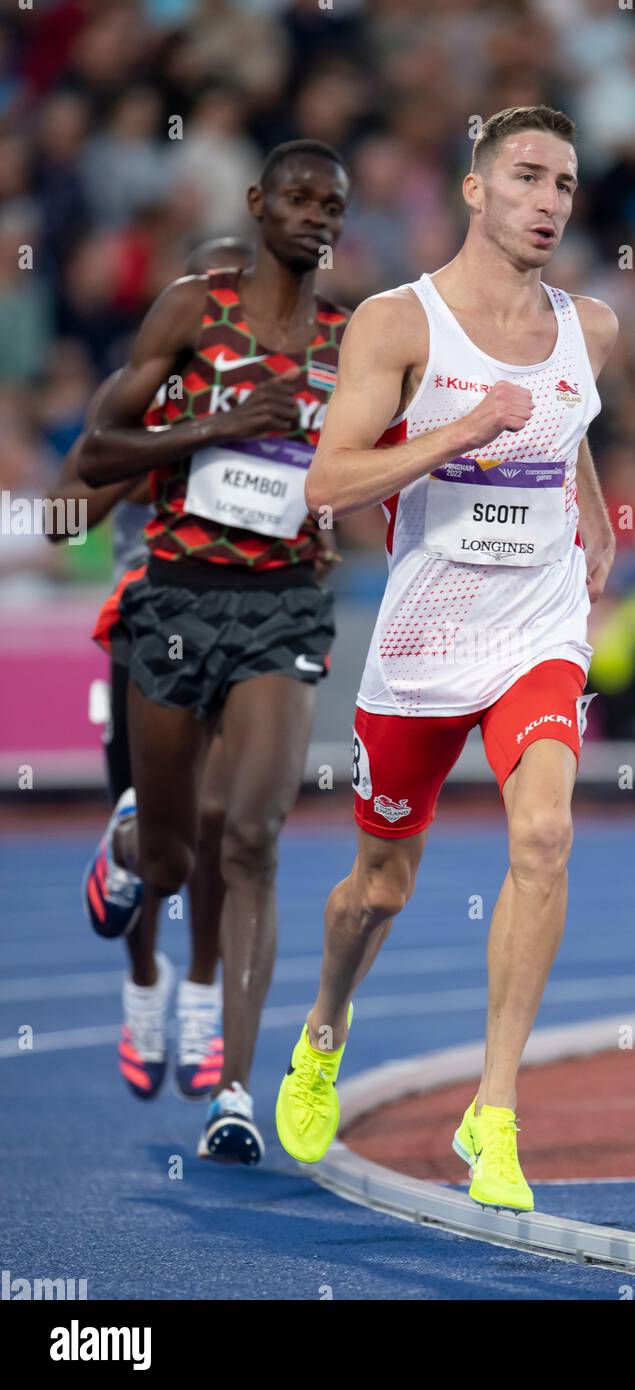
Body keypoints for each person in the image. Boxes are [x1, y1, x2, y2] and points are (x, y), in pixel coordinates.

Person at [274, 106, 618, 1213]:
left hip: (537, 626)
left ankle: (496, 1110)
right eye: (525, 177)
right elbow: (326, 485)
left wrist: (596, 510)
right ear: (474, 191)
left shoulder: (591, 325)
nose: (547, 202)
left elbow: (567, 423)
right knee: (380, 888)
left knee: (546, 831)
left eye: (563, 184)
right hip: (423, 641)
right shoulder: (396, 323)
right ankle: (326, 1024)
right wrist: (456, 436)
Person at [76, 141, 351, 1163]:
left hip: (283, 609)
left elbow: (370, 460)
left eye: (332, 202)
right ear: (257, 202)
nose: (316, 214)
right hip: (177, 599)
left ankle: (232, 1089)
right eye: (297, 196)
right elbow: (96, 453)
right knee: (176, 856)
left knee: (253, 838)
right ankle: (127, 849)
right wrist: (223, 425)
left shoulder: (351, 336)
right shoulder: (197, 308)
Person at [47, 238, 255, 1105]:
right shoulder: (138, 388)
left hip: (243, 623)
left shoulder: (283, 390)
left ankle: (204, 989)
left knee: (215, 824)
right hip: (144, 620)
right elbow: (61, 518)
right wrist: (163, 454)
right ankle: (144, 986)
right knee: (150, 827)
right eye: (207, 296)